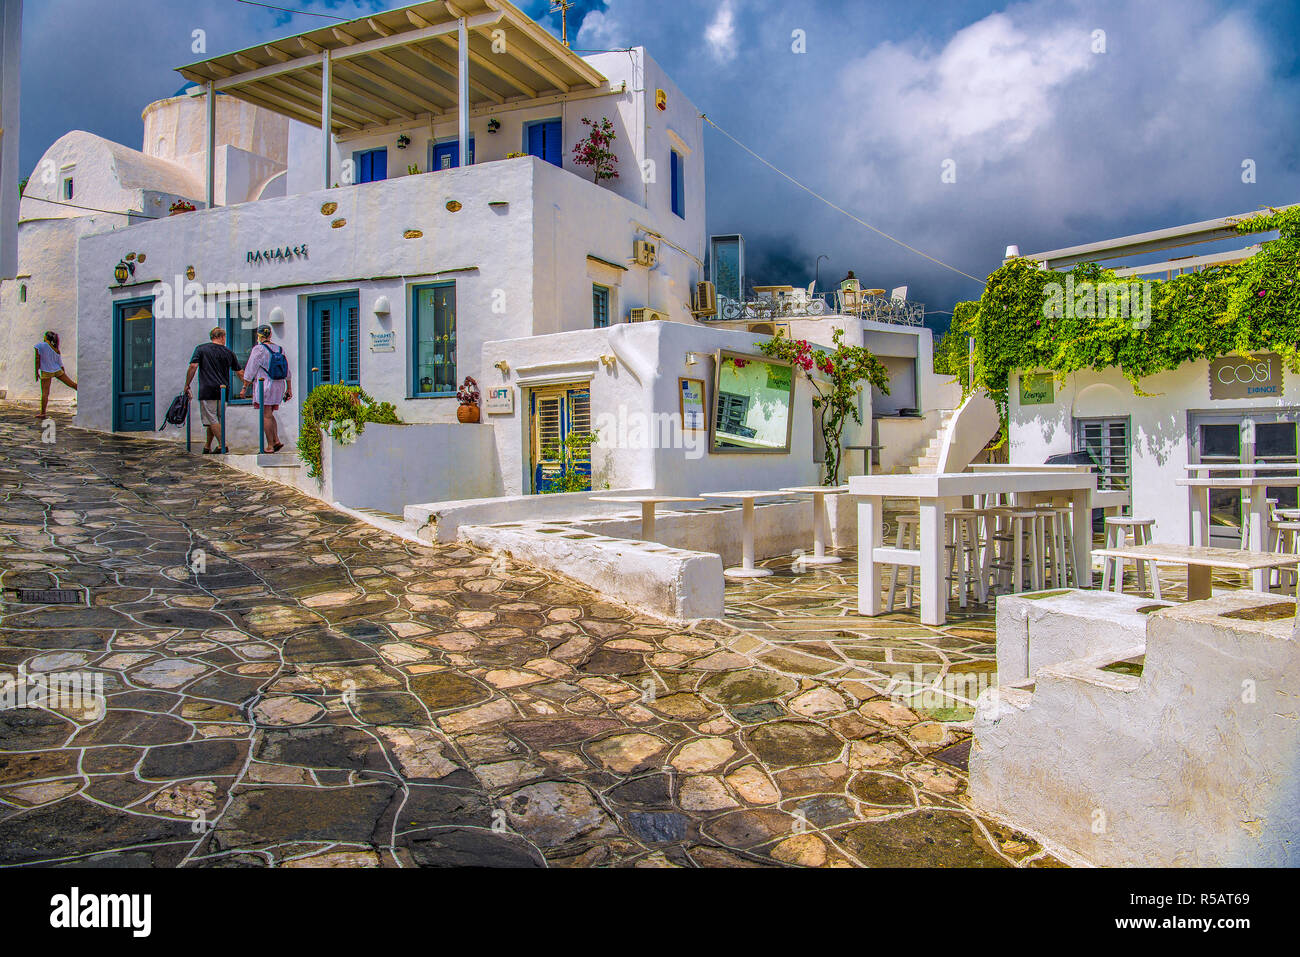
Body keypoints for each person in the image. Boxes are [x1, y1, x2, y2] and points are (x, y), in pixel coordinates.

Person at [185, 327, 242, 454]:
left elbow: (193, 366)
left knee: (212, 419)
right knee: (215, 419)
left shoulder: (201, 349)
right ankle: (207, 446)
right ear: (222, 337)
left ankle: (223, 445)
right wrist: (246, 386)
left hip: (208, 389)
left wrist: (187, 384)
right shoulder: (229, 352)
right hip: (223, 391)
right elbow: (239, 372)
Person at [239, 325, 292, 453]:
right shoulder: (280, 349)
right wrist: (289, 388)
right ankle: (276, 440)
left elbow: (250, 369)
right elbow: (287, 371)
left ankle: (269, 446)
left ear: (260, 336)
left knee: (266, 415)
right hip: (279, 385)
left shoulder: (259, 349)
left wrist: (244, 387)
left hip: (265, 385)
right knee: (270, 414)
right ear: (270, 335)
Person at [34, 331, 77, 419]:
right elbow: (60, 363)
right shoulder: (56, 348)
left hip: (46, 371)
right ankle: (85, 393)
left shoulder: (39, 346)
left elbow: (37, 359)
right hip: (57, 370)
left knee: (45, 393)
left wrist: (36, 372)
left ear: (46, 337)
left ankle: (43, 413)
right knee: (72, 384)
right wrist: (63, 372)